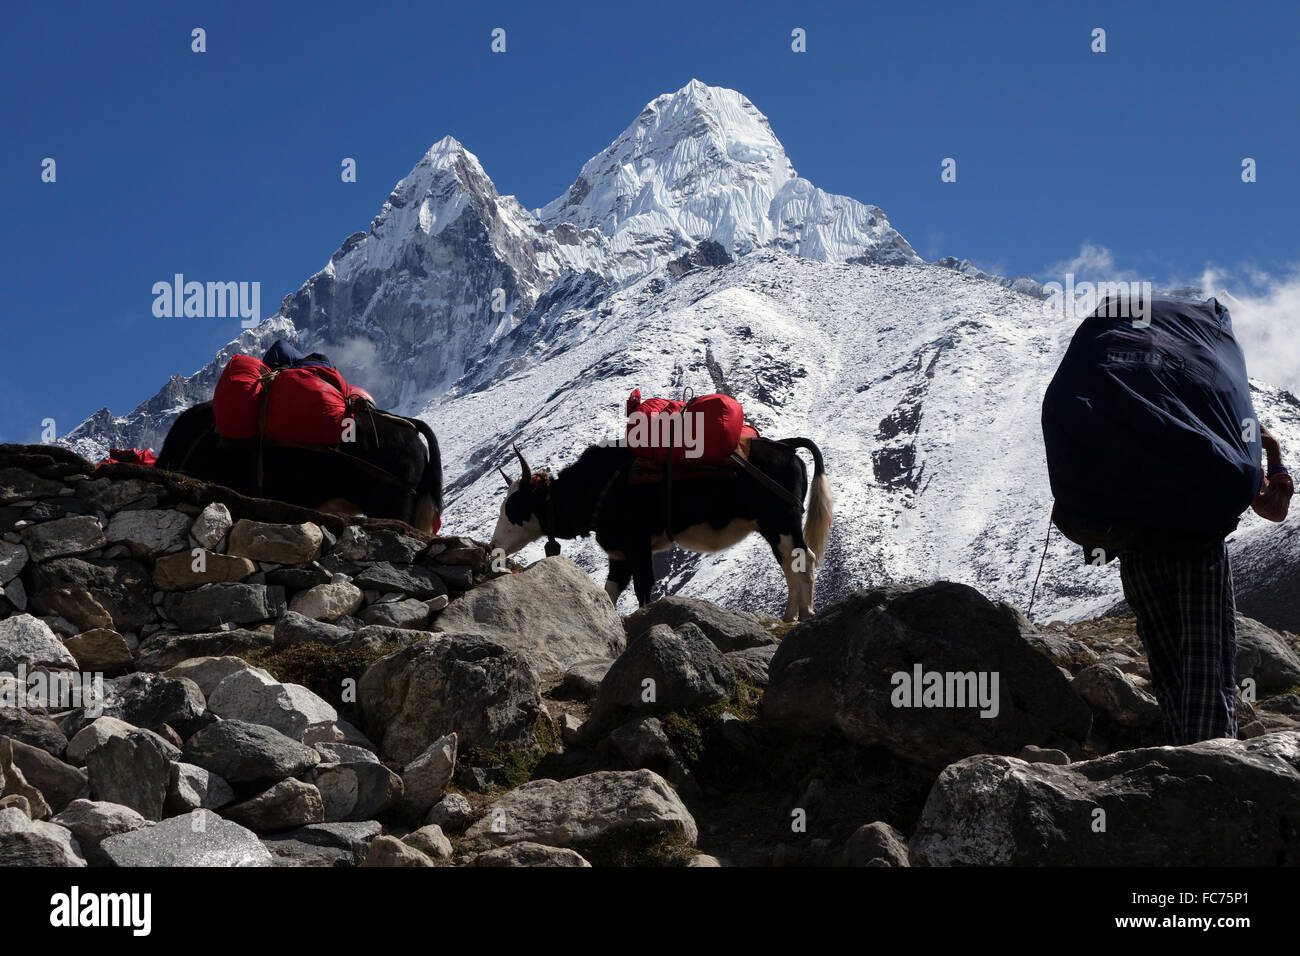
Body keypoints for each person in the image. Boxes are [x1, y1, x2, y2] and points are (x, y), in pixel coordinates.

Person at [1117, 426, 1293, 744]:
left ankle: (1179, 769)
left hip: (1134, 553)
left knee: (1168, 675)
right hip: (1197, 548)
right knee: (1206, 670)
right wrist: (1273, 449)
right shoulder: (1216, 410)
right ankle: (1210, 774)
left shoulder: (1124, 402)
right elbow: (1274, 508)